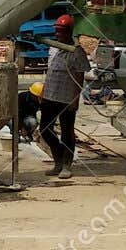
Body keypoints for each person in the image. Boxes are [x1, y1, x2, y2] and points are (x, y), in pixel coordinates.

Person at [37, 14, 88, 180]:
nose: (58, 34)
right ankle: (58, 158)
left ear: (69, 31)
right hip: (50, 95)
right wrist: (43, 92)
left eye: (61, 31)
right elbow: (49, 71)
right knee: (45, 128)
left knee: (67, 131)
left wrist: (75, 99)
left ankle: (66, 164)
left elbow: (79, 77)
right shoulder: (53, 48)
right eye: (57, 31)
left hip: (66, 97)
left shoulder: (77, 52)